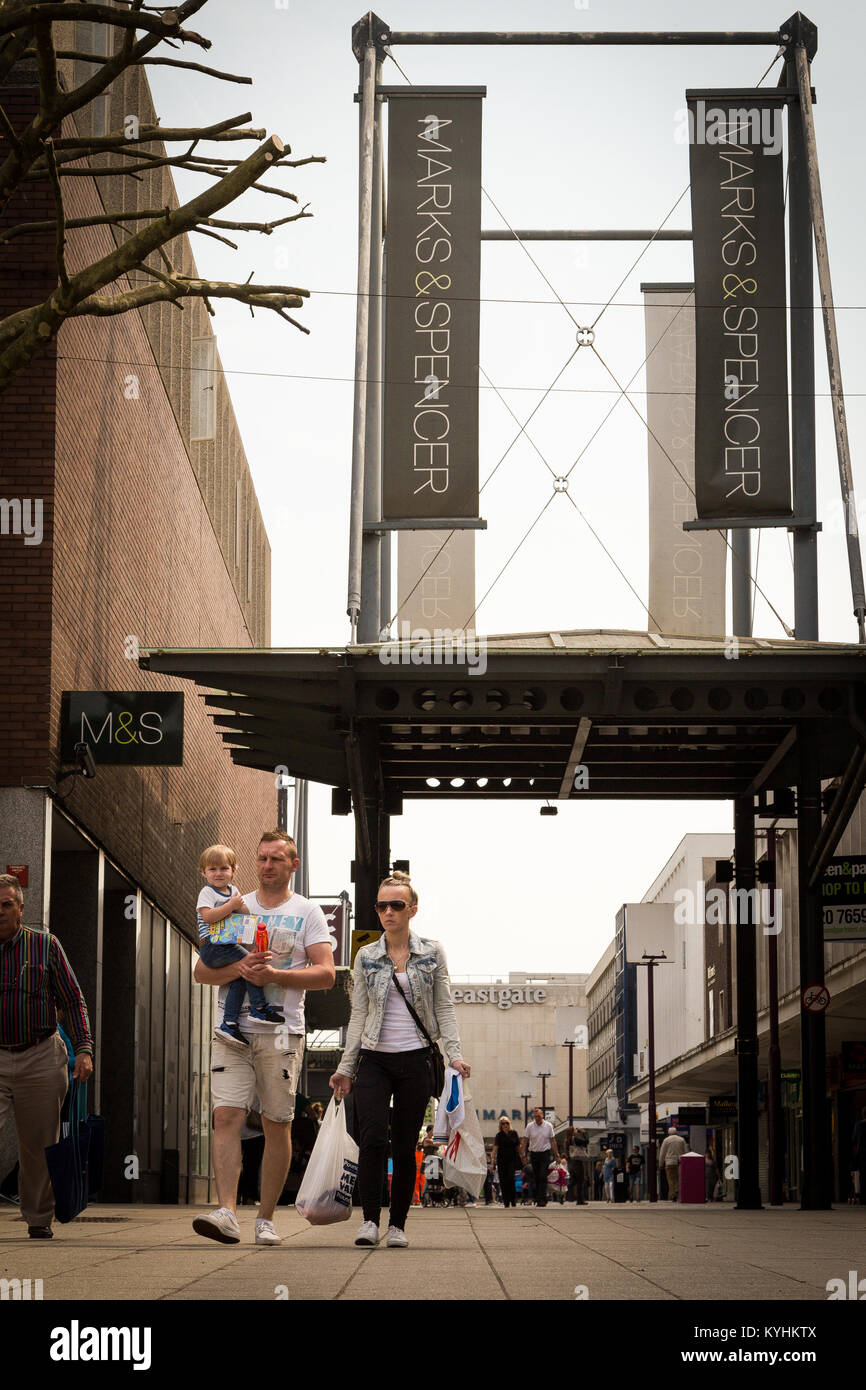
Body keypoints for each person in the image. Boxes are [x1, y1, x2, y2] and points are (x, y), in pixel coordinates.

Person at [192, 830, 335, 1246]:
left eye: (276, 859)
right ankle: (228, 1213)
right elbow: (203, 972)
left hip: (282, 1034)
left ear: (293, 865)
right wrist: (242, 970)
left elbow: (326, 973)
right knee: (226, 1116)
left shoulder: (308, 912)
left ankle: (266, 1218)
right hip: (231, 1031)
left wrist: (276, 975)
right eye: (261, 859)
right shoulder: (235, 905)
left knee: (277, 1123)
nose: (267, 866)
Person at [329, 871, 469, 1249]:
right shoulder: (366, 956)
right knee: (372, 1139)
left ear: (412, 909)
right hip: (374, 1059)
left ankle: (398, 1226)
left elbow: (444, 1006)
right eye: (381, 905)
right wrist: (346, 1066)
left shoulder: (432, 953)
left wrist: (454, 1055)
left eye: (396, 905)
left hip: (417, 1059)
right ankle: (370, 1221)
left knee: (405, 1145)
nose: (388, 912)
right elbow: (358, 1014)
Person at [0, 874, 93, 1238]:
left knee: (38, 1144)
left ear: (21, 909)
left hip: (40, 1054)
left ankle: (38, 1219)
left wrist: (83, 1048)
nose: (1, 912)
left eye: (7, 905)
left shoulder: (45, 946)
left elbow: (72, 998)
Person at [196, 844, 284, 1047]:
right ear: (204, 872)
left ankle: (228, 1023)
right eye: (213, 869)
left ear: (234, 870)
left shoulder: (233, 891)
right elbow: (208, 917)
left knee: (238, 979)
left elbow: (243, 913)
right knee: (249, 963)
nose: (218, 873)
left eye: (224, 868)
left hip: (226, 943)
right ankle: (259, 1008)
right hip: (212, 945)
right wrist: (231, 906)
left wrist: (243, 909)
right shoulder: (207, 892)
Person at [520, 1107, 559, 1207]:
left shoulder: (548, 1126)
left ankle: (542, 1199)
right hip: (534, 1154)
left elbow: (553, 1141)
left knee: (542, 1176)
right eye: (535, 1116)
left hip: (545, 1153)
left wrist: (557, 1155)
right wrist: (523, 1154)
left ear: (543, 1116)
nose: (537, 1118)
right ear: (533, 1117)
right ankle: (538, 1198)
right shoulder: (530, 1126)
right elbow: (524, 1140)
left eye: (539, 1116)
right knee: (536, 1176)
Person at [491, 1115, 520, 1208]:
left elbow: (518, 1147)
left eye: (507, 1123)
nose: (505, 1125)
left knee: (511, 1179)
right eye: (503, 1123)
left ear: (509, 1124)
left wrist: (523, 1156)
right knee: (503, 1181)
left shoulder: (514, 1133)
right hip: (501, 1160)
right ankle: (506, 1202)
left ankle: (513, 1200)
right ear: (501, 1125)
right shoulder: (499, 1136)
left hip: (512, 1159)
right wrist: (492, 1162)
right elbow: (495, 1149)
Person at [658, 1123, 688, 1202]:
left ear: (668, 1133)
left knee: (671, 1179)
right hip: (680, 1162)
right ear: (676, 1132)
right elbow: (686, 1151)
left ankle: (673, 1195)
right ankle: (678, 1191)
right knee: (679, 1178)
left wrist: (660, 1164)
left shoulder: (666, 1140)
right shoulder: (681, 1140)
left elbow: (662, 1153)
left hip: (669, 1163)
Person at [566, 1126, 589, 1205]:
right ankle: (580, 1200)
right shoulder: (574, 1139)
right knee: (580, 1181)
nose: (577, 1130)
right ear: (573, 1132)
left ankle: (564, 1194)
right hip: (577, 1161)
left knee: (573, 1181)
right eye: (575, 1130)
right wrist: (583, 1132)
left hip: (571, 1162)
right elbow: (586, 1141)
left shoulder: (568, 1140)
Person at [852, 1105, 866, 1206]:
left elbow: (854, 1139)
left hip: (862, 1154)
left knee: (863, 1176)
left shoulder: (858, 1125)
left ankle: (864, 1197)